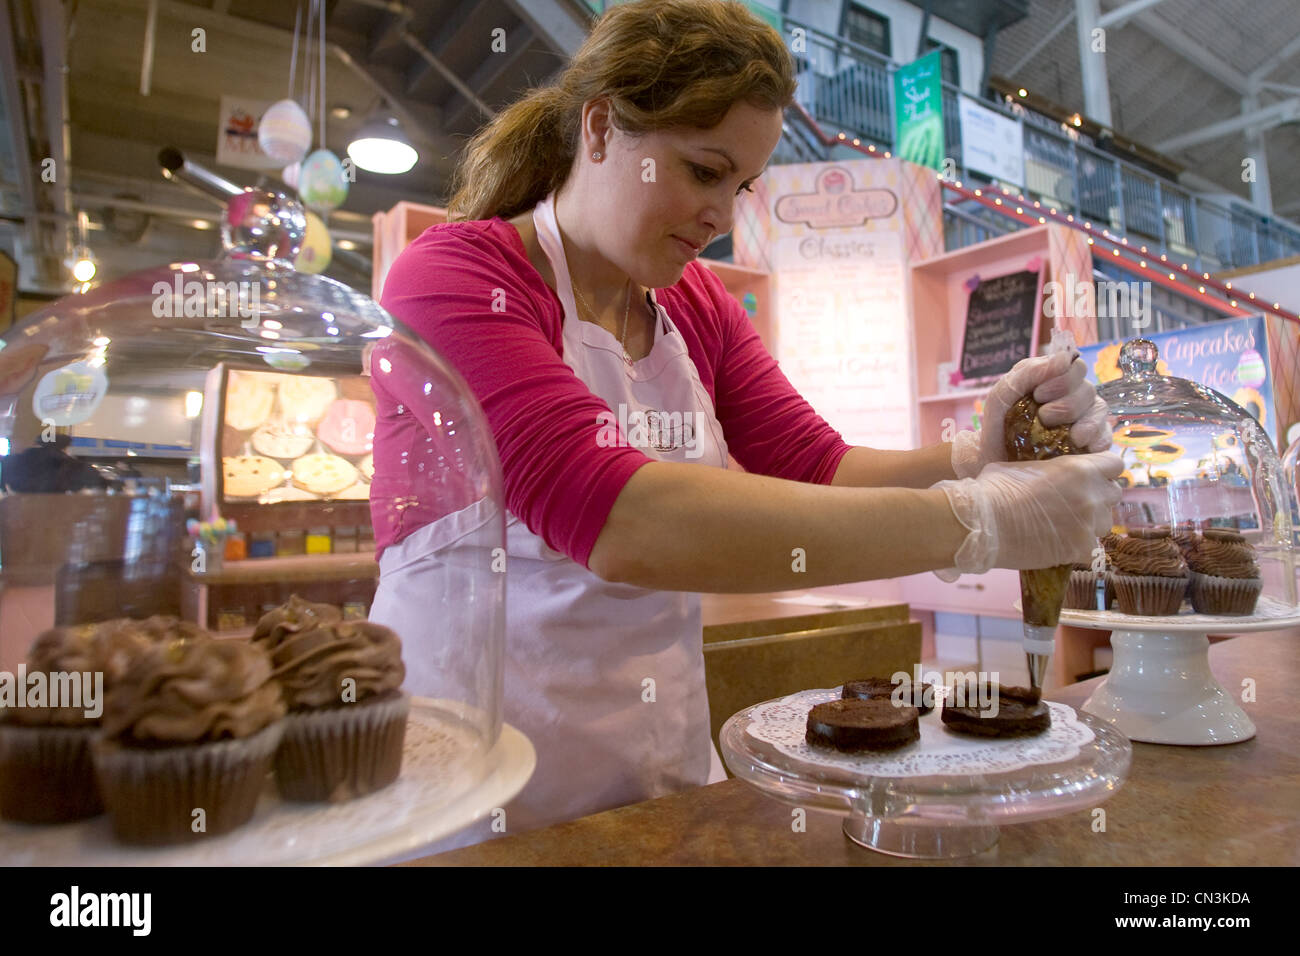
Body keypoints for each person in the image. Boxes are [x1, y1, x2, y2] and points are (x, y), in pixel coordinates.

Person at [370, 0, 1121, 854]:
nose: (723, 213)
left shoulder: (696, 305)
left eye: (742, 185)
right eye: (702, 170)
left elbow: (815, 466)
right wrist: (982, 522)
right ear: (602, 129)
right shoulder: (456, 277)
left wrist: (968, 460)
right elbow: (620, 521)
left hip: (649, 781)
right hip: (475, 801)